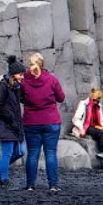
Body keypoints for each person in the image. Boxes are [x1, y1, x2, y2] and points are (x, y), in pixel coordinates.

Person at [21, 52, 66, 192]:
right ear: (43, 64)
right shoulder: (52, 79)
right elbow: (61, 98)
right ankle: (53, 185)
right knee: (50, 153)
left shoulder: (24, 81)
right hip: (51, 121)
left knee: (33, 153)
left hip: (31, 122)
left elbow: (21, 98)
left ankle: (30, 185)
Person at [0, 56, 27, 186]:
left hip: (14, 124)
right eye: (20, 74)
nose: (22, 77)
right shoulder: (3, 86)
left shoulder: (16, 87)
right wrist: (10, 118)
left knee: (20, 151)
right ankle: (3, 179)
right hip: (5, 124)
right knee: (7, 153)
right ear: (13, 74)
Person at [72, 87, 103, 165]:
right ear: (91, 97)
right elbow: (75, 119)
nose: (95, 102)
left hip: (96, 126)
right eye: (94, 100)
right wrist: (81, 128)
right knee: (101, 134)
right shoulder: (83, 104)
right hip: (86, 126)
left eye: (97, 101)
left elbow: (102, 119)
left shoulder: (98, 106)